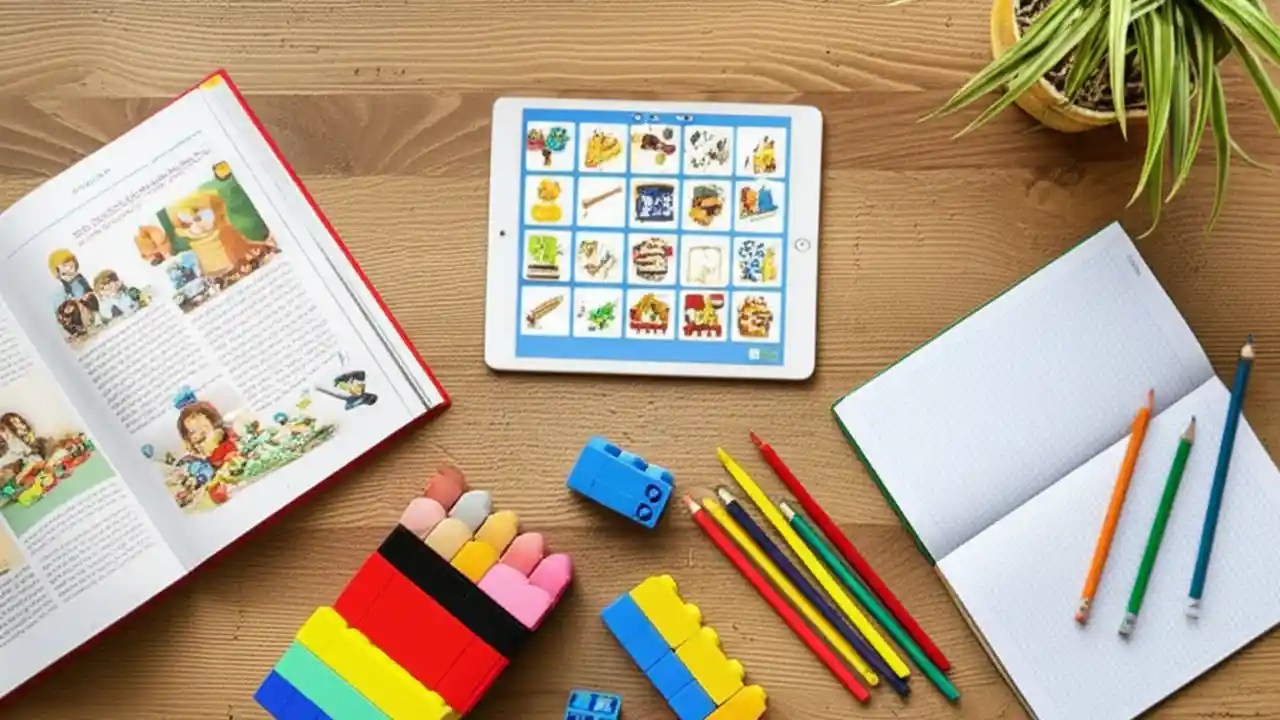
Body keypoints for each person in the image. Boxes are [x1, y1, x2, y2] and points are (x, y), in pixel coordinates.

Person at [176, 402, 239, 469]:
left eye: (203, 427)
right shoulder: (197, 454)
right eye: (192, 432)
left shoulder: (226, 438)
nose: (199, 433)